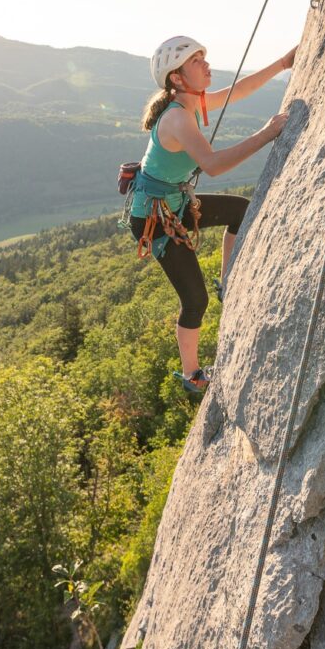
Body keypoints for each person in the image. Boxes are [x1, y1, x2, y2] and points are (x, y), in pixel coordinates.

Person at [126, 35, 293, 394]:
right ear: (177, 78)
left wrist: (282, 63)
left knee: (240, 211)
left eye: (203, 58)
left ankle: (227, 280)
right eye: (196, 62)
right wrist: (267, 134)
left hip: (174, 203)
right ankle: (192, 376)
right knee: (194, 300)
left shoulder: (189, 103)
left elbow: (238, 91)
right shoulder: (176, 119)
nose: (205, 65)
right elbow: (214, 165)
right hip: (153, 219)